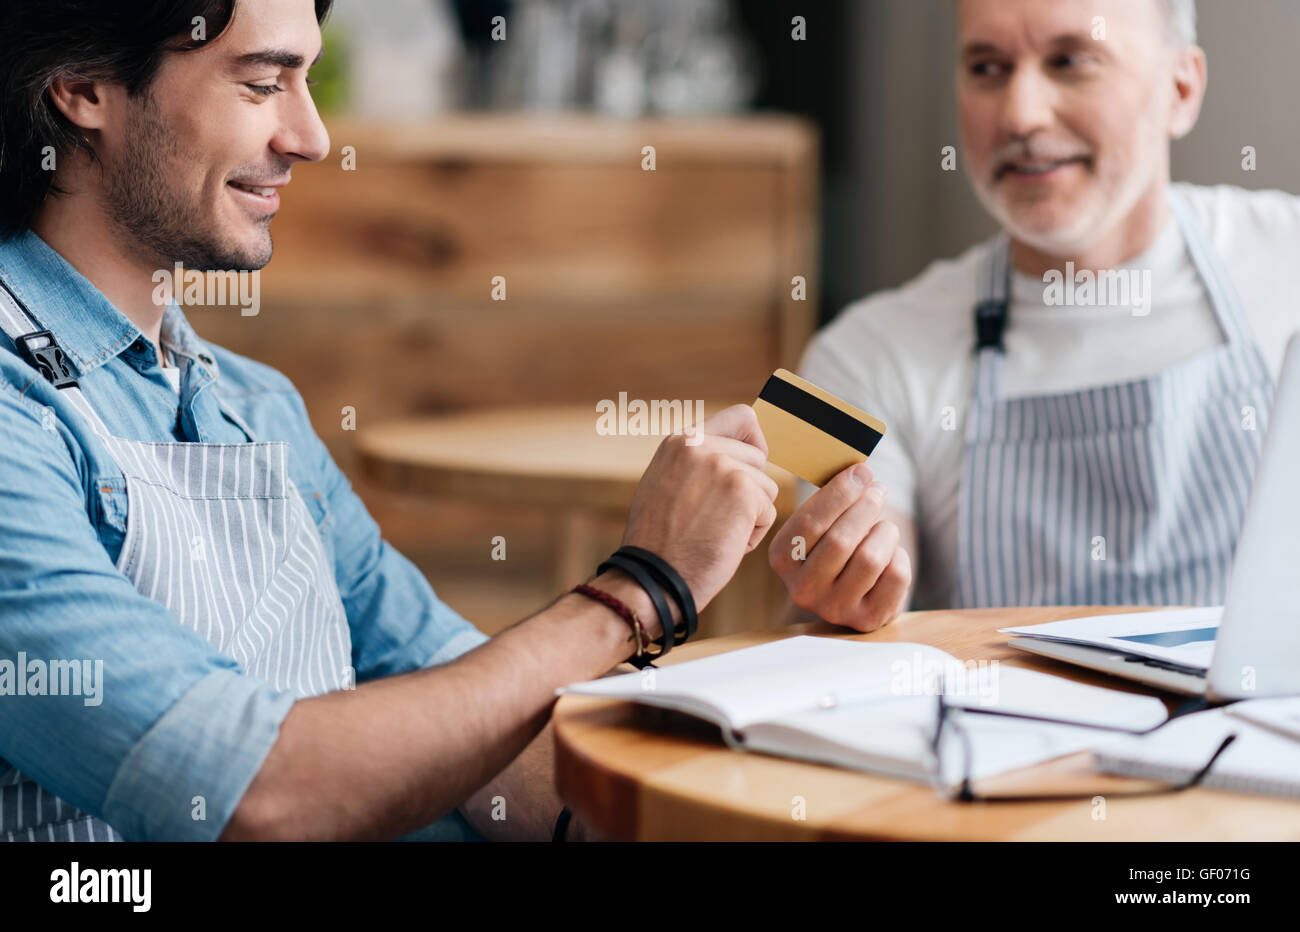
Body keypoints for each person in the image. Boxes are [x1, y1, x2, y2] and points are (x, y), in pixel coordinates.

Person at [0, 0, 780, 841]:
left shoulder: (255, 407)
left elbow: (479, 722)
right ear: (84, 89)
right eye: (262, 84)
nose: (311, 136)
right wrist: (635, 591)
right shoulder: (17, 415)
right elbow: (256, 796)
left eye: (305, 78)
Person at [770, 0, 1300, 628]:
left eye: (1071, 61)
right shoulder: (844, 359)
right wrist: (839, 593)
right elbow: (826, 641)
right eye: (988, 68)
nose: (1019, 114)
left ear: (1181, 90)